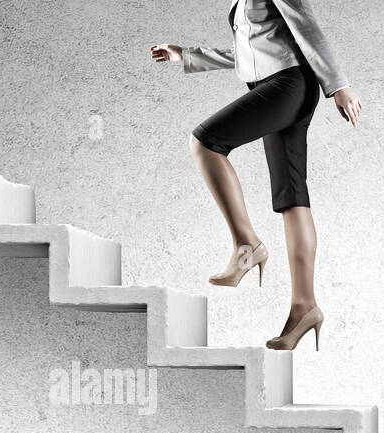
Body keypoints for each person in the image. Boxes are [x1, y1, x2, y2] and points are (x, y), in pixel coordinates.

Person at [151, 2, 362, 351]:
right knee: (292, 196)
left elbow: (308, 29)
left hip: (290, 84)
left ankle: (247, 245)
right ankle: (304, 306)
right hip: (282, 82)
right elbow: (255, 52)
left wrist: (339, 86)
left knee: (206, 141)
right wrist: (186, 55)